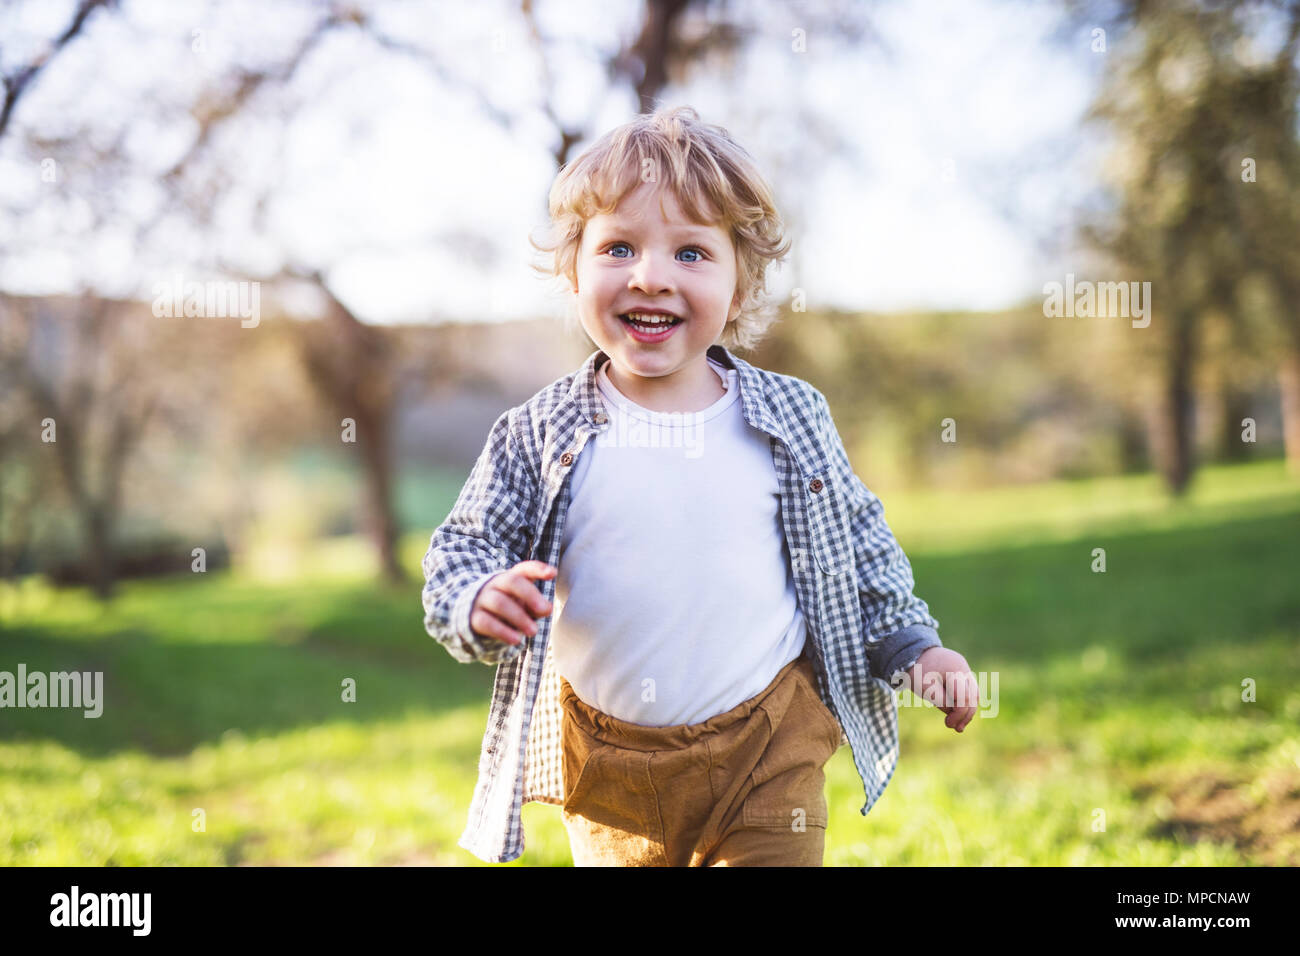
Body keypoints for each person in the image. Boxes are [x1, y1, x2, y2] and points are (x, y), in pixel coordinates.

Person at [421, 105, 978, 866]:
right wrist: (477, 598)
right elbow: (463, 547)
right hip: (613, 768)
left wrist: (914, 647)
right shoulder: (538, 434)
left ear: (740, 285)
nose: (650, 275)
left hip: (767, 747)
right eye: (618, 247)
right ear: (574, 269)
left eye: (690, 253)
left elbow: (858, 544)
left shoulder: (790, 415)